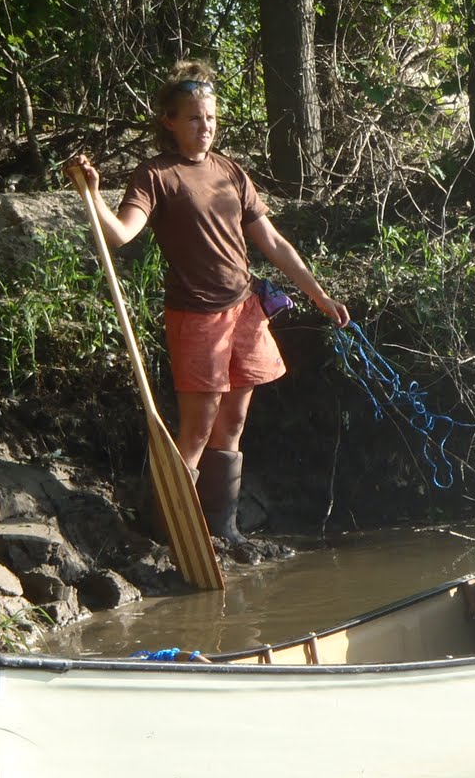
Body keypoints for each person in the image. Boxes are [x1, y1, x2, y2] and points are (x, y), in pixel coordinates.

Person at [66, 60, 350, 546]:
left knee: (234, 422)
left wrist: (317, 293)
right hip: (195, 317)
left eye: (212, 119)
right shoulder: (156, 175)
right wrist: (92, 194)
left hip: (244, 311)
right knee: (196, 430)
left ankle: (224, 529)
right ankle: (170, 529)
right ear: (169, 122)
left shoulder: (230, 173)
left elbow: (274, 243)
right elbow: (119, 235)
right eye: (195, 118)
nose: (205, 128)